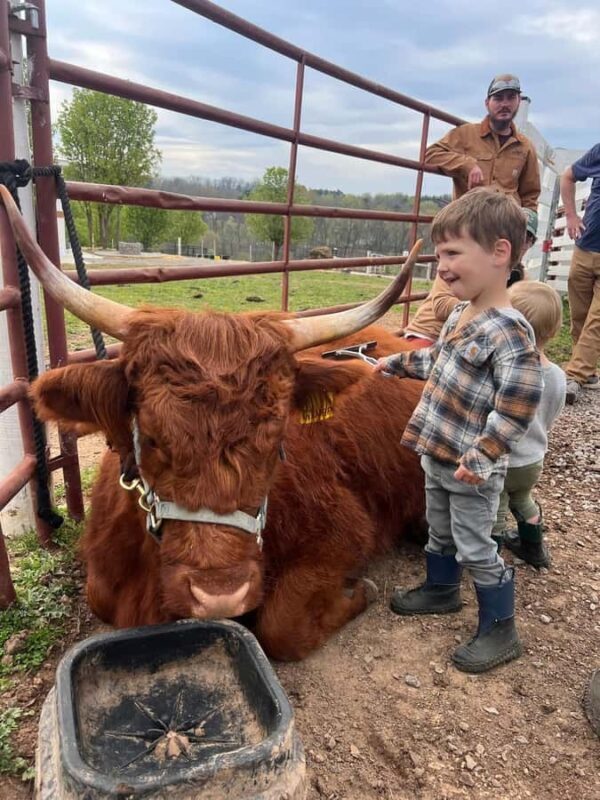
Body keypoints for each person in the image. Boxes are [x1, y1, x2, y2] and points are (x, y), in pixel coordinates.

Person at [375, 189, 542, 674]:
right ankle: (442, 589)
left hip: (471, 466)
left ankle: (500, 628)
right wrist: (399, 362)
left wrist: (484, 455)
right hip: (437, 451)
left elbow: (517, 407)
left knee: (475, 543)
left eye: (452, 253)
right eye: (438, 253)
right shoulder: (459, 313)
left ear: (499, 253)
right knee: (440, 527)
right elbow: (438, 361)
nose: (440, 266)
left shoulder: (510, 332)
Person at [492, 281, 566, 568]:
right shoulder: (558, 376)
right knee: (523, 501)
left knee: (495, 509)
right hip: (533, 459)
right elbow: (552, 413)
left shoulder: (505, 372)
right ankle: (533, 548)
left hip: (502, 460)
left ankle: (491, 560)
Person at [402, 208, 538, 346]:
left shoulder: (511, 334)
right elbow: (441, 306)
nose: (440, 267)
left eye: (525, 238)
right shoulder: (457, 278)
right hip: (429, 333)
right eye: (439, 256)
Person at [424, 74, 540, 211]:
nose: (504, 104)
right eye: (498, 98)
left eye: (511, 98)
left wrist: (527, 228)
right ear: (487, 103)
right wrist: (466, 164)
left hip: (507, 223)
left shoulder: (525, 147)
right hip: (470, 219)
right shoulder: (466, 134)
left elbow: (530, 195)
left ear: (518, 101)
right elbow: (430, 155)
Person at [560, 144, 600, 404]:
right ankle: (588, 370)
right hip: (586, 246)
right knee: (580, 314)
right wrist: (572, 216)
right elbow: (568, 175)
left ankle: (573, 377)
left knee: (597, 319)